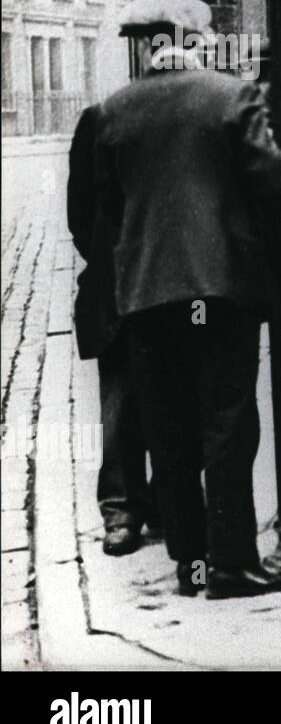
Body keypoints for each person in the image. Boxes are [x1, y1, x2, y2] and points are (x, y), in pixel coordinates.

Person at [95, 0, 281, 599]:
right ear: (192, 35)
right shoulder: (229, 95)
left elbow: (107, 209)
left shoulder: (115, 110)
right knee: (228, 423)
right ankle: (234, 562)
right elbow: (270, 180)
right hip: (219, 284)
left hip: (147, 293)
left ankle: (192, 564)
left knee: (169, 427)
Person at [67, 104, 153, 556]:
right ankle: (121, 509)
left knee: (174, 397)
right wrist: (108, 258)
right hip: (116, 283)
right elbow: (79, 213)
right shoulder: (99, 119)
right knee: (119, 403)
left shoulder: (179, 113)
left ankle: (163, 500)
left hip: (167, 282)